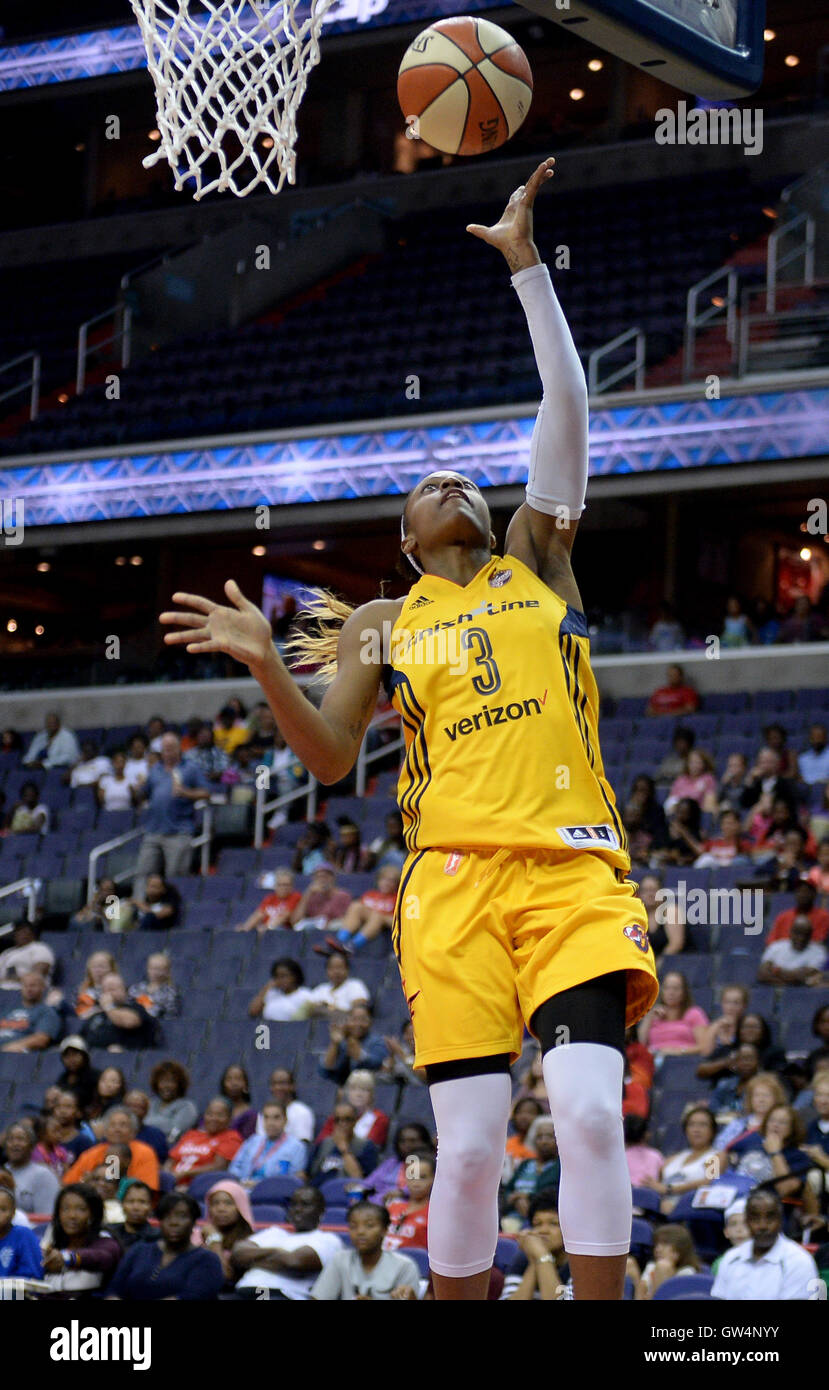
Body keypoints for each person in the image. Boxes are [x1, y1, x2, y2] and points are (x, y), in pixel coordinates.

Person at [160, 157, 660, 1303]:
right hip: (450, 887)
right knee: (473, 1148)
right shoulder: (385, 620)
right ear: (404, 532)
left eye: (465, 476)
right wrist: (263, 670)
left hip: (573, 875)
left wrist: (528, 268)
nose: (455, 482)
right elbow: (331, 759)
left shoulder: (537, 559)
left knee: (587, 1112)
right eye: (431, 480)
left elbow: (567, 409)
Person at [231, 1185, 343, 1300]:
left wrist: (253, 1261)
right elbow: (237, 1254)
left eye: (305, 1204)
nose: (298, 1209)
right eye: (294, 1204)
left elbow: (295, 1262)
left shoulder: (328, 1239)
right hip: (242, 1291)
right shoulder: (274, 1232)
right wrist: (278, 1252)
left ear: (321, 1211)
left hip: (278, 1294)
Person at [105, 1191, 223, 1300]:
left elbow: (191, 1297)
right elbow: (113, 1290)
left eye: (182, 1216)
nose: (174, 1222)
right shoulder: (139, 1250)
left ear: (193, 1222)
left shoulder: (207, 1259)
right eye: (167, 1217)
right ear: (159, 1221)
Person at [132, 731, 207, 896]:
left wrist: (186, 793)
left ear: (179, 749)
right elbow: (145, 794)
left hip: (179, 831)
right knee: (142, 872)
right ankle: (139, 909)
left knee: (176, 875)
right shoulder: (155, 769)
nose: (168, 753)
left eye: (171, 748)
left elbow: (206, 792)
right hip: (153, 830)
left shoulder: (190, 768)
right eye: (165, 749)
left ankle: (174, 912)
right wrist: (139, 789)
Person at [711, 1189, 819, 1299]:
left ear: (781, 1221)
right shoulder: (731, 1258)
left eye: (770, 1217)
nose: (763, 1226)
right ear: (747, 1221)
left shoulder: (799, 1261)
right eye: (755, 1218)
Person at [311, 1201, 420, 1299]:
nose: (360, 1232)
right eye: (353, 1226)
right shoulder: (340, 1259)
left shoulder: (405, 1266)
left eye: (369, 1225)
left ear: (385, 1229)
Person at [40, 1184, 121, 1297]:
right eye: (65, 1209)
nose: (72, 1215)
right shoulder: (51, 1236)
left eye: (81, 1209)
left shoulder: (105, 1240)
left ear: (93, 1214)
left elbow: (102, 1256)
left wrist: (68, 1258)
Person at [61, 1108, 160, 1191]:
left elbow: (147, 1190)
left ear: (133, 1131)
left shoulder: (145, 1152)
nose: (117, 1129)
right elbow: (68, 1184)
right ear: (106, 1131)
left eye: (123, 1125)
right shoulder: (92, 1153)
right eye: (112, 1125)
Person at [650, 1106, 719, 1214]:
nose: (696, 1130)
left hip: (691, 1209)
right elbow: (657, 1183)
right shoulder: (674, 1158)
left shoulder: (715, 1156)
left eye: (703, 1125)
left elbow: (710, 1181)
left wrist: (670, 1189)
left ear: (713, 1131)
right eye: (691, 1125)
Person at [503, 1194, 571, 1300]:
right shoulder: (523, 1258)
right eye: (537, 1224)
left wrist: (542, 1256)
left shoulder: (578, 1263)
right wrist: (535, 1261)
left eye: (553, 1224)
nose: (543, 1231)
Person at [165, 1098, 243, 1187]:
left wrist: (184, 1174)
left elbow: (219, 1167)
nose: (214, 1118)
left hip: (201, 1185)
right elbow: (170, 1160)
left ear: (230, 1119)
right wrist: (167, 1176)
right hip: (173, 1183)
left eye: (220, 1115)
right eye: (210, 1114)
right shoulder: (191, 1134)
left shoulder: (231, 1137)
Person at [326, 866, 401, 953]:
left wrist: (381, 916)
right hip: (365, 922)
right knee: (356, 905)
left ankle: (352, 945)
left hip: (382, 925)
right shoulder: (370, 894)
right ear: (378, 881)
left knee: (377, 916)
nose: (387, 883)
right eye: (384, 879)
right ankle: (340, 940)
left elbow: (398, 921)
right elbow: (357, 913)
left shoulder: (397, 899)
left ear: (397, 884)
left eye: (391, 881)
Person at [228, 1101, 306, 1183]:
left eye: (276, 1117)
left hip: (273, 1191)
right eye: (266, 1117)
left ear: (285, 1120)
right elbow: (235, 1167)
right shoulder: (253, 1141)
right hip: (243, 1187)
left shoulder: (297, 1147)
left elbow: (294, 1179)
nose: (270, 1123)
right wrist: (241, 1182)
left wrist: (258, 1184)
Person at [197, 1179, 254, 1290]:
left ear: (241, 1207)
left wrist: (214, 1239)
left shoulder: (250, 1242)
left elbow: (224, 1277)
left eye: (228, 1203)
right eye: (215, 1203)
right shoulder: (196, 1236)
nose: (221, 1209)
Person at [501, 1115, 560, 1220]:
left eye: (550, 1136)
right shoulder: (526, 1164)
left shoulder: (560, 1166)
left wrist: (526, 1197)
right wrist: (515, 1199)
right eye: (539, 1137)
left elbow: (553, 1192)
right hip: (512, 1215)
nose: (544, 1141)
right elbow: (508, 1190)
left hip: (544, 1218)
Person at [638, 972, 709, 1056]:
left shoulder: (694, 1013)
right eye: (666, 988)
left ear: (684, 992)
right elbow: (641, 1043)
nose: (671, 992)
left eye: (676, 988)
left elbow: (704, 1047)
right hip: (653, 1061)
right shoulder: (654, 1014)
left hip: (682, 1060)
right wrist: (649, 1017)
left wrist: (678, 1051)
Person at [80, 972, 156, 1050]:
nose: (108, 993)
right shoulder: (97, 1012)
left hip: (123, 1056)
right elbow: (82, 1036)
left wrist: (108, 1006)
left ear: (123, 990)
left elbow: (130, 1022)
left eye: (112, 989)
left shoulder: (136, 1007)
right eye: (104, 990)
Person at [308, 1101, 378, 1185]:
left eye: (347, 1120)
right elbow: (309, 1173)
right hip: (318, 1191)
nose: (342, 1124)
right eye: (337, 1120)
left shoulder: (366, 1146)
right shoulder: (324, 1143)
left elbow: (359, 1180)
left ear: (355, 1121)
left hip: (344, 1192)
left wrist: (344, 1149)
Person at [364, 1122, 436, 1203]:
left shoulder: (427, 1164)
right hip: (377, 1202)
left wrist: (403, 1192)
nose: (407, 1145)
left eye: (413, 1141)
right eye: (402, 1141)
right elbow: (368, 1183)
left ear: (424, 1142)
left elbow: (422, 1185)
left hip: (406, 1204)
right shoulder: (392, 1162)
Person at [319, 1000, 387, 1085]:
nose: (358, 1024)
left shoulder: (378, 1041)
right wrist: (334, 1043)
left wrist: (351, 1042)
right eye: (354, 1019)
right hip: (339, 1089)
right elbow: (326, 1070)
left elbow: (375, 1063)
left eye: (363, 1019)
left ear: (370, 1022)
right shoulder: (341, 1041)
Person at [316, 1070, 389, 1148]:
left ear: (372, 1094)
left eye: (364, 1090)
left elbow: (369, 1147)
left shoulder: (380, 1119)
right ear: (347, 1093)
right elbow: (321, 1143)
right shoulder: (338, 1115)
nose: (359, 1094)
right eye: (354, 1089)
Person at [2, 1122, 61, 1214]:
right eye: (10, 1139)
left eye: (21, 1139)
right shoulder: (2, 1172)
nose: (15, 1144)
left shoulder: (44, 1176)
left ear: (32, 1146)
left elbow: (46, 1218)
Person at [0, 971, 61, 1053]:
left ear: (42, 987)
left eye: (33, 985)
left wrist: (13, 1046)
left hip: (16, 1055)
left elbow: (41, 1039)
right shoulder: (9, 1008)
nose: (29, 989)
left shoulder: (47, 1012)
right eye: (25, 986)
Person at [635, 1223, 701, 1299]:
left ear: (679, 1249)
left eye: (664, 1244)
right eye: (656, 1245)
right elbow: (642, 1289)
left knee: (663, 1266)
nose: (657, 1249)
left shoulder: (687, 1271)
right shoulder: (652, 1266)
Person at [253, 1068, 315, 1148]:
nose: (278, 1087)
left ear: (292, 1086)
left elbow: (303, 1146)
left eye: (283, 1083)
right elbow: (260, 1142)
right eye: (274, 1084)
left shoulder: (302, 1112)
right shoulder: (265, 1111)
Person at [385, 1151, 434, 1251]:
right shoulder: (392, 1206)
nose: (416, 1183)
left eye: (422, 1177)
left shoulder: (435, 1214)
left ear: (433, 1178)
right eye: (412, 1177)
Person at [758, 917, 827, 986]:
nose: (801, 938)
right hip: (773, 990)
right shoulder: (775, 947)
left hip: (804, 993)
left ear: (811, 935)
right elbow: (762, 974)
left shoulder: (819, 951)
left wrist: (776, 971)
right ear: (790, 932)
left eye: (806, 934)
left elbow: (807, 976)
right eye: (797, 933)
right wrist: (791, 978)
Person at [146, 1061, 198, 1144]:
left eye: (171, 1081)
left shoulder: (187, 1106)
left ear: (179, 1085)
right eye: (162, 1081)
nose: (166, 1086)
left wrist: (147, 1125)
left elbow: (174, 1131)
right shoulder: (151, 1103)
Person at [234, 869, 302, 932]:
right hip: (266, 930)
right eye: (280, 885)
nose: (283, 888)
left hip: (283, 931)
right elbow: (258, 914)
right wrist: (246, 928)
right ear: (275, 886)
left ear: (292, 886)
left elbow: (284, 916)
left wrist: (268, 927)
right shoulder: (270, 898)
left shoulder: (295, 896)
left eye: (286, 885)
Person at [248, 957, 314, 1021]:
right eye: (277, 976)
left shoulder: (305, 994)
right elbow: (253, 1012)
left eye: (284, 976)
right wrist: (266, 989)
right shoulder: (271, 994)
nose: (280, 980)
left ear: (295, 976)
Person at [766, 880, 829, 946]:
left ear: (814, 894)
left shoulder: (824, 917)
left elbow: (820, 943)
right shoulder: (783, 917)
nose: (802, 894)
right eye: (799, 891)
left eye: (806, 891)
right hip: (783, 954)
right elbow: (771, 942)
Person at [307, 949, 370, 1016]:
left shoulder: (355, 985)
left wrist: (327, 1009)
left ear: (347, 969)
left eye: (340, 967)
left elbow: (358, 1012)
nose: (336, 972)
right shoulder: (321, 989)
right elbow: (309, 1009)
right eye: (332, 968)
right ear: (327, 971)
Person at [0, 1185, 44, 1279]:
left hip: (18, 1292)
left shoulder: (23, 1235)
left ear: (13, 1213)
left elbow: (33, 1275)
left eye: (3, 1209)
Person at [290, 864, 352, 930]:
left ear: (333, 878)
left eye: (325, 877)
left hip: (333, 932)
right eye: (318, 877)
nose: (322, 880)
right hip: (314, 931)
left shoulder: (343, 896)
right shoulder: (311, 896)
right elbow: (295, 921)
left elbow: (349, 920)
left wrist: (328, 923)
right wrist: (307, 893)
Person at [53, 1036, 100, 1118]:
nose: (71, 1059)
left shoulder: (95, 1077)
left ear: (84, 1056)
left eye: (75, 1054)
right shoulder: (62, 1078)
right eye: (67, 1056)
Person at [0, 920, 55, 990]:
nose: (20, 934)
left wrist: (12, 979)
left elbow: (37, 976)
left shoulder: (40, 948)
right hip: (4, 991)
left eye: (23, 931)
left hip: (27, 991)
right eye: (18, 931)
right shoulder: (6, 953)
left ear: (31, 933)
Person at [107, 1180, 158, 1250]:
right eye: (130, 1201)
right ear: (122, 1204)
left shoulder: (157, 1237)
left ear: (150, 1206)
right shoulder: (109, 1233)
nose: (135, 1207)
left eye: (142, 1202)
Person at [665, 749, 718, 816]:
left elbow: (709, 805)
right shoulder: (681, 779)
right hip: (678, 812)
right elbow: (671, 800)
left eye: (698, 762)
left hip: (696, 815)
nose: (694, 766)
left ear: (704, 764)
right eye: (692, 762)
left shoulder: (708, 779)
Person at [128, 952, 181, 1018]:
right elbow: (127, 1005)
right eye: (153, 968)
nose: (156, 972)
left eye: (160, 969)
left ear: (167, 972)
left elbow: (171, 1016)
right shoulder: (136, 988)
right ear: (147, 969)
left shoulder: (170, 993)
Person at [503, 1097, 543, 1181]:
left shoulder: (544, 1145)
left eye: (530, 1113)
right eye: (520, 1112)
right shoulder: (507, 1144)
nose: (524, 1117)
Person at [73, 950, 118, 1018]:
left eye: (102, 967)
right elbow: (78, 1016)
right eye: (94, 967)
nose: (98, 970)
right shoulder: (81, 990)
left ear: (111, 969)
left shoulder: (119, 990)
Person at [219, 1063, 258, 1139]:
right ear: (223, 1084)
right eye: (229, 1079)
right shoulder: (214, 1109)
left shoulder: (250, 1115)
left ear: (246, 1085)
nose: (234, 1083)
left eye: (238, 1079)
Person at [624, 1115, 663, 1188]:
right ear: (646, 1134)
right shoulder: (656, 1155)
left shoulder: (620, 1158)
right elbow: (660, 1180)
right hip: (650, 1196)